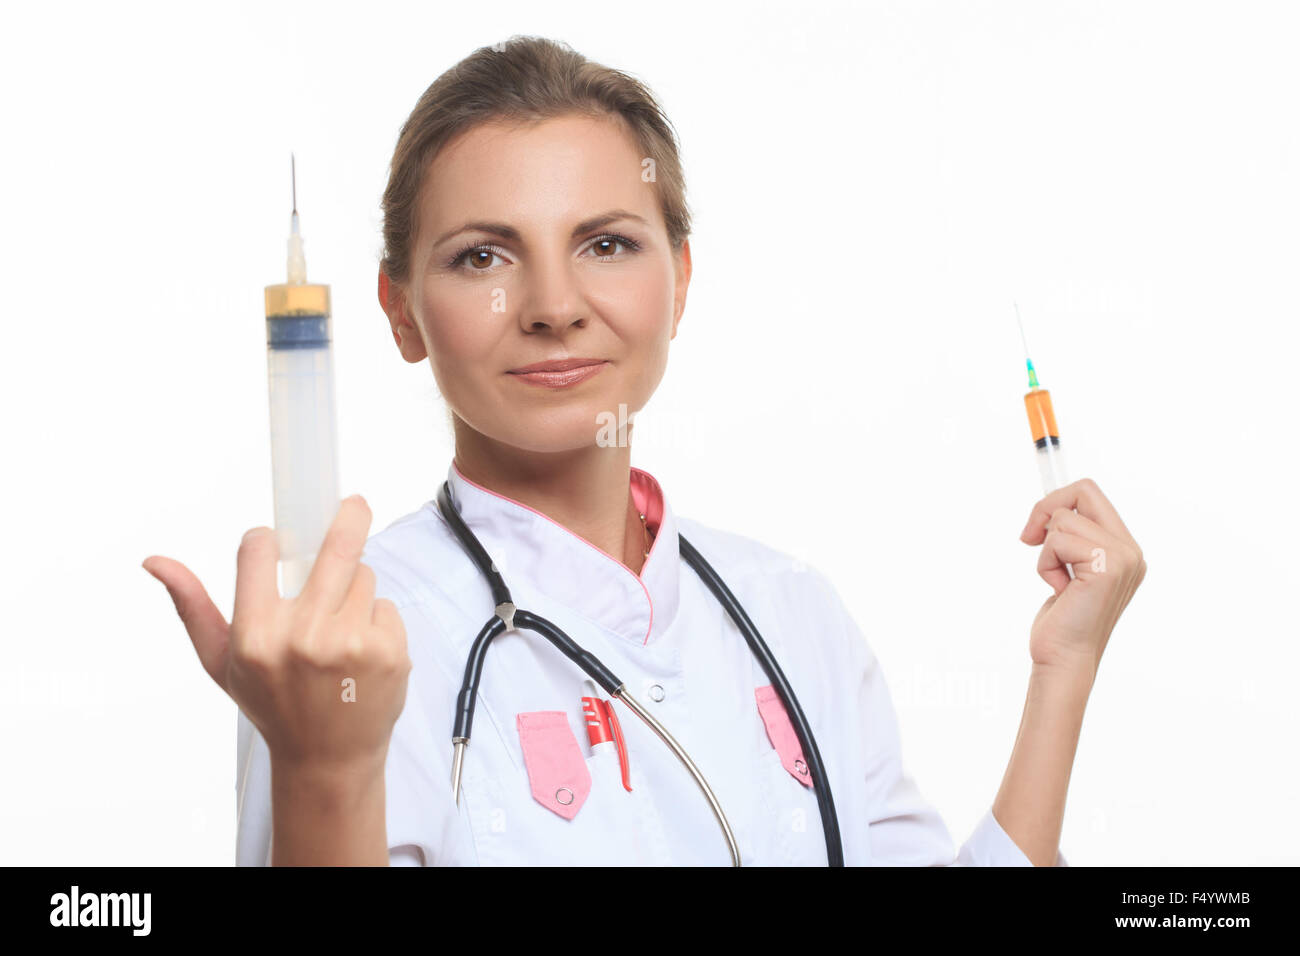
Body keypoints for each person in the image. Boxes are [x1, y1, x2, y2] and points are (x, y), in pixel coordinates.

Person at [141, 35, 1146, 866]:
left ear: (683, 278)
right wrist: (323, 770)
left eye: (607, 243)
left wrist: (1064, 666)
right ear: (399, 311)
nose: (551, 307)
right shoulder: (346, 644)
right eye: (481, 256)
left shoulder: (790, 612)